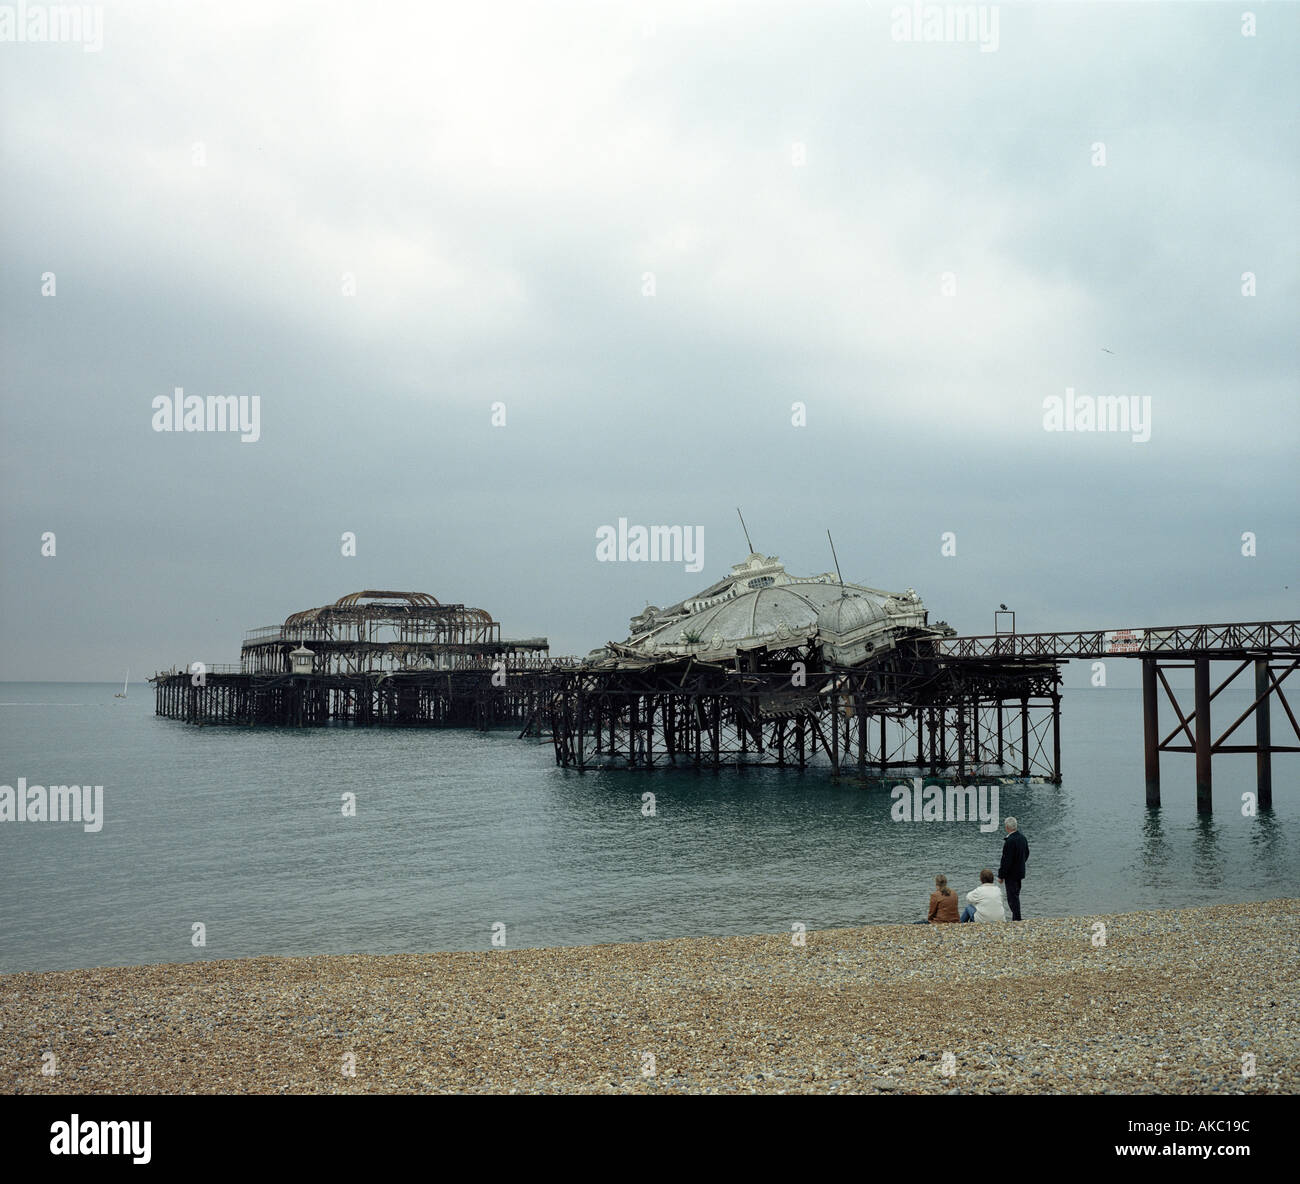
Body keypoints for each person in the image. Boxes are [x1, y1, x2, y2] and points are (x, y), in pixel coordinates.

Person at [997, 816, 1029, 920]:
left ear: (1007, 827)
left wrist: (1001, 875)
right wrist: (1020, 863)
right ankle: (1017, 917)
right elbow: (1027, 853)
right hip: (1020, 872)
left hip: (1011, 874)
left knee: (1012, 898)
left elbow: (1006, 860)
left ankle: (1017, 919)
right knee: (1015, 894)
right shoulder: (1022, 838)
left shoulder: (1010, 841)